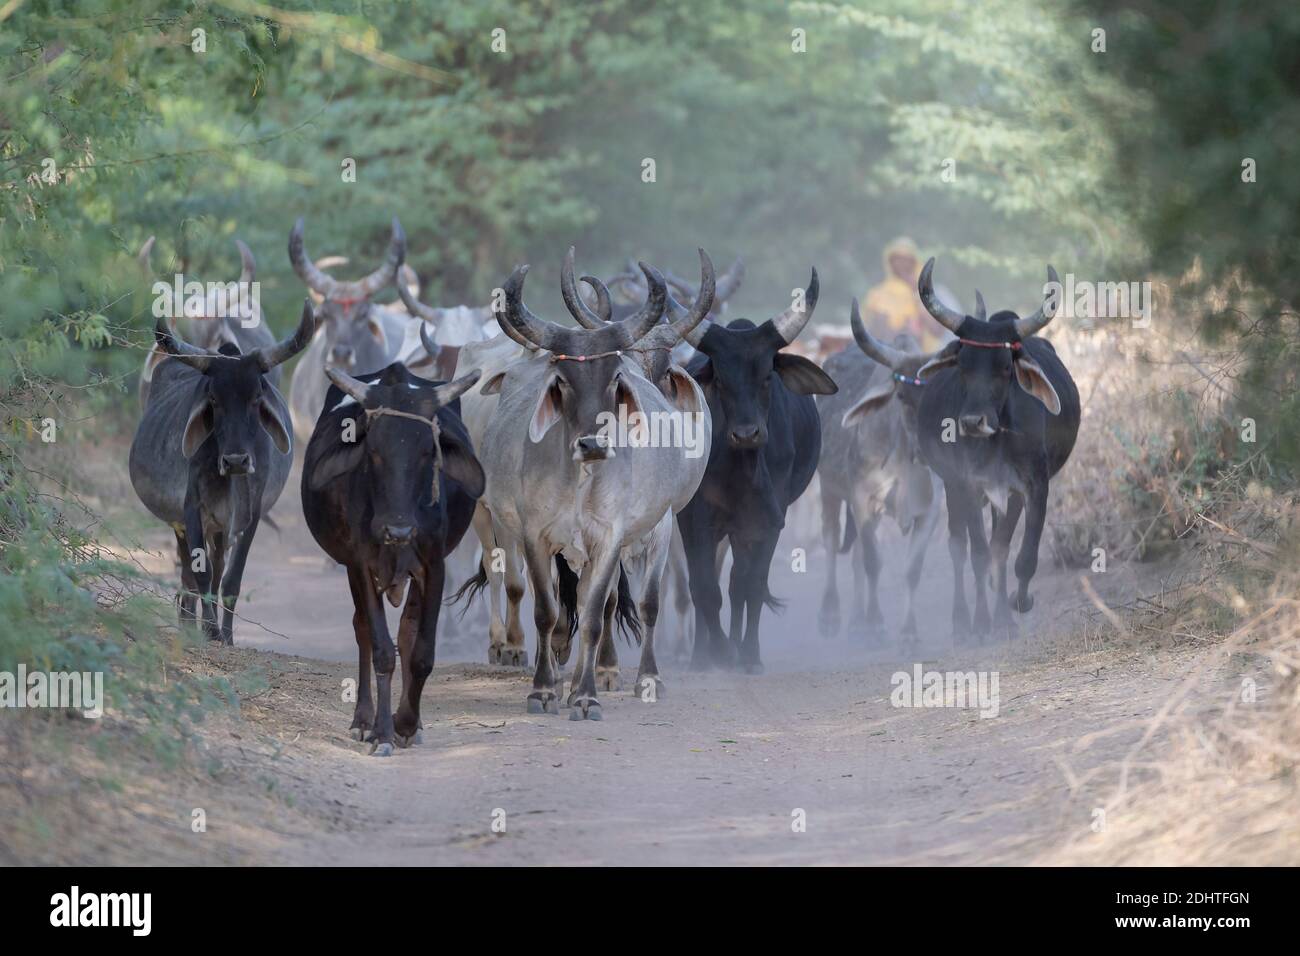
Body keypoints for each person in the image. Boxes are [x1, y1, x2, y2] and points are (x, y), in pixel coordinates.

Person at [863, 236, 961, 352]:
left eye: (906, 260)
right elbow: (872, 332)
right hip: (886, 357)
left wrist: (917, 293)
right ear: (890, 262)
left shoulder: (928, 294)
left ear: (914, 262)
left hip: (919, 358)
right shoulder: (878, 295)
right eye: (897, 259)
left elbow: (937, 331)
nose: (902, 265)